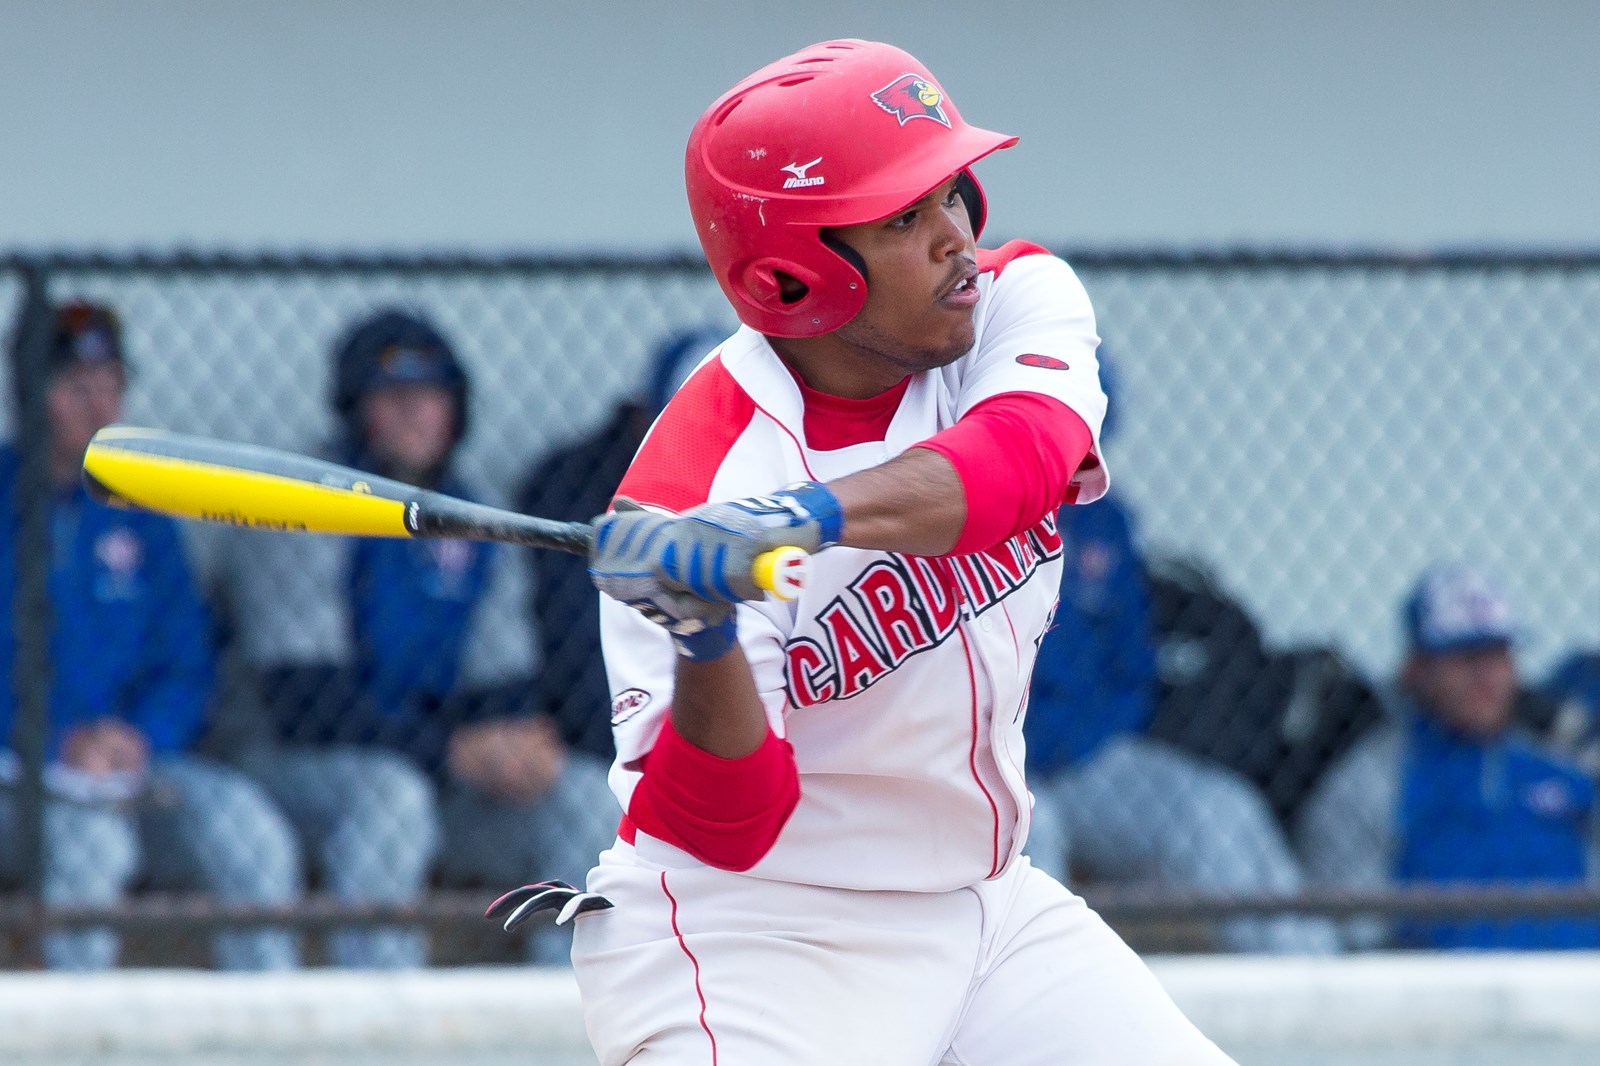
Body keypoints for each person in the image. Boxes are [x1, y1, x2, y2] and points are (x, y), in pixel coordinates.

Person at [534, 39, 1235, 1064]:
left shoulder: (1016, 301)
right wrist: (704, 634)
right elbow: (726, 825)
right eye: (905, 217)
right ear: (792, 275)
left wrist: (799, 519)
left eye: (952, 193)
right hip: (759, 941)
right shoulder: (694, 482)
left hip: (987, 910)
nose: (955, 236)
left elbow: (1016, 465)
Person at [228, 308, 616, 966]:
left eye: (430, 396)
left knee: (583, 797)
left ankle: (568, 1008)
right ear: (358, 410)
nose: (416, 414)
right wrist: (452, 752)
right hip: (287, 771)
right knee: (390, 798)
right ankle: (380, 1012)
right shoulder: (303, 503)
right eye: (394, 397)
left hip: (434, 772)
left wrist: (514, 742)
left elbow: (503, 682)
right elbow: (304, 704)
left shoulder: (474, 514)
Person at [0, 300, 298, 970]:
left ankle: (271, 1035)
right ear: (28, 391)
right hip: (15, 774)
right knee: (91, 849)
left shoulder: (139, 508)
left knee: (249, 833)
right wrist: (52, 742)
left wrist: (139, 738)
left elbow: (185, 664)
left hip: (128, 764)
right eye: (76, 388)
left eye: (111, 385)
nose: (98, 407)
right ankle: (83, 1039)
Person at [1023, 353, 1337, 954]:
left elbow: (1131, 668)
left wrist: (1087, 737)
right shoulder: (961, 510)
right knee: (1034, 834)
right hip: (998, 762)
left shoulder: (1104, 523)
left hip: (1091, 760)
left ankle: (1319, 995)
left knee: (1221, 810)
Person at [1296, 564, 1599, 950]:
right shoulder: (1371, 780)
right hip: (1440, 1001)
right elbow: (1354, 939)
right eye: (1466, 658)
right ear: (1415, 670)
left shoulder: (1563, 776)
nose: (1486, 676)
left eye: (1498, 654)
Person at [516, 324, 732, 763]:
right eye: (683, 425)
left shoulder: (765, 492)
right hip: (597, 745)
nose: (705, 446)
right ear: (643, 418)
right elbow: (580, 661)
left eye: (723, 430)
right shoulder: (580, 490)